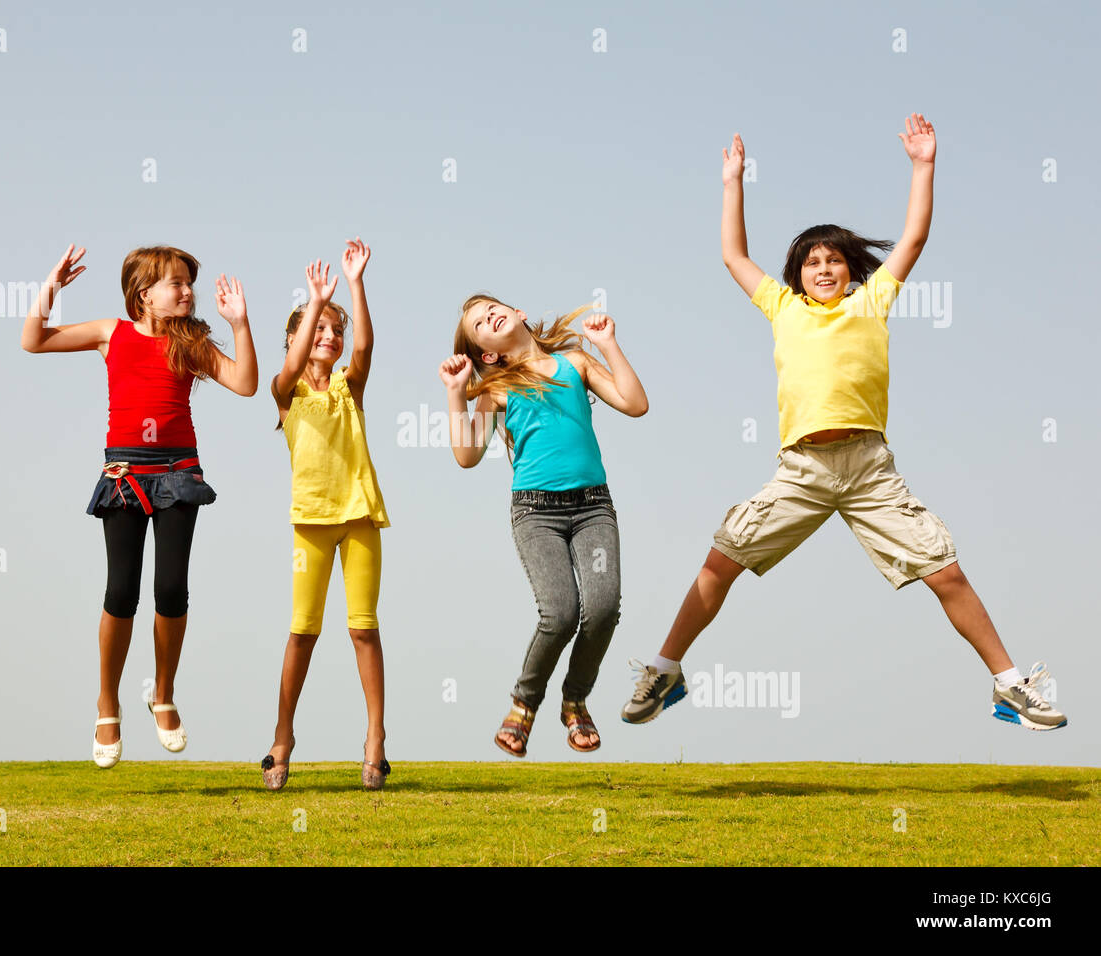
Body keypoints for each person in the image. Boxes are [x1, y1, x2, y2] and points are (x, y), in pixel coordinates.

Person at [621, 115, 1067, 732]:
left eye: (833, 261)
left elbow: (911, 238)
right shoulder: (782, 307)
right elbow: (732, 254)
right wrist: (733, 182)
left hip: (867, 469)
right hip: (802, 469)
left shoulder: (871, 300)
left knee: (948, 573)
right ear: (796, 275)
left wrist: (924, 165)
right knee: (720, 562)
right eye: (811, 262)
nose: (823, 269)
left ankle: (1011, 686)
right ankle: (665, 671)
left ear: (852, 271)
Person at [20, 244, 259, 768]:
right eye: (176, 283)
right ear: (143, 293)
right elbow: (32, 340)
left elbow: (245, 384)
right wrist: (51, 289)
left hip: (178, 472)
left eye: (188, 283)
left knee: (172, 587)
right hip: (125, 474)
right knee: (120, 590)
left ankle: (163, 693)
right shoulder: (112, 333)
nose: (187, 291)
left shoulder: (190, 343)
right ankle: (108, 701)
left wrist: (239, 323)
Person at [440, 293, 648, 757]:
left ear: (518, 314)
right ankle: (524, 702)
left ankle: (575, 699)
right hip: (536, 513)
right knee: (560, 613)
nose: (488, 317)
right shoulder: (496, 387)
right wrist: (456, 393)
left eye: (492, 308)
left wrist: (609, 345)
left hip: (593, 507)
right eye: (478, 325)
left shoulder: (575, 363)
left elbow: (635, 404)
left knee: (603, 607)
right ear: (487, 353)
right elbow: (466, 455)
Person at [262, 239, 391, 791]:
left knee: (363, 630)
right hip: (310, 524)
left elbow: (364, 347)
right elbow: (289, 367)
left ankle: (375, 740)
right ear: (294, 339)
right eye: (318, 330)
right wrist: (316, 301)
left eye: (334, 331)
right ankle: (282, 739)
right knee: (301, 633)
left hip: (359, 516)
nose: (329, 337)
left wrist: (354, 285)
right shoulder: (286, 391)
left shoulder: (348, 387)